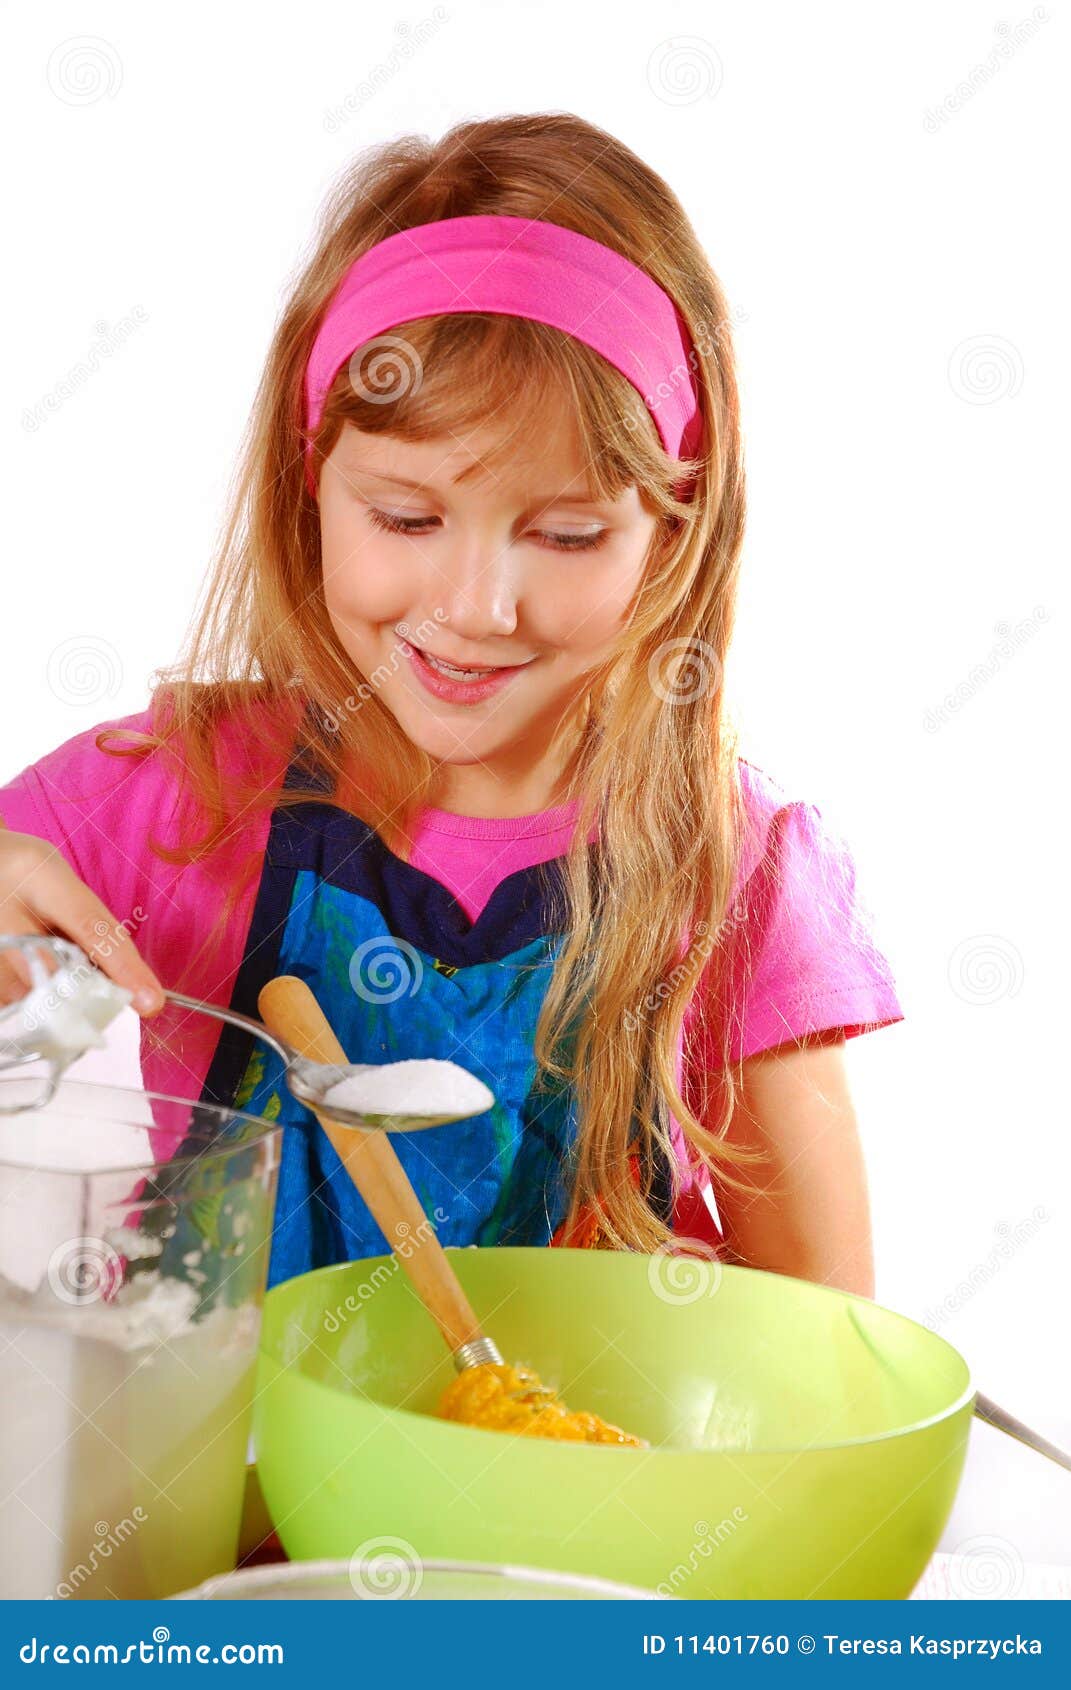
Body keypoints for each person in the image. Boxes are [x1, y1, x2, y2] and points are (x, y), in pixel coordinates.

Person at [0, 112, 902, 1297]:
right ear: (308, 479)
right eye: (408, 519)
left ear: (673, 534)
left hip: (569, 1484)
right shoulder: (160, 794)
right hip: (207, 1483)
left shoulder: (736, 870)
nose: (478, 606)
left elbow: (821, 1344)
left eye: (568, 532)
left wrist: (694, 1320)